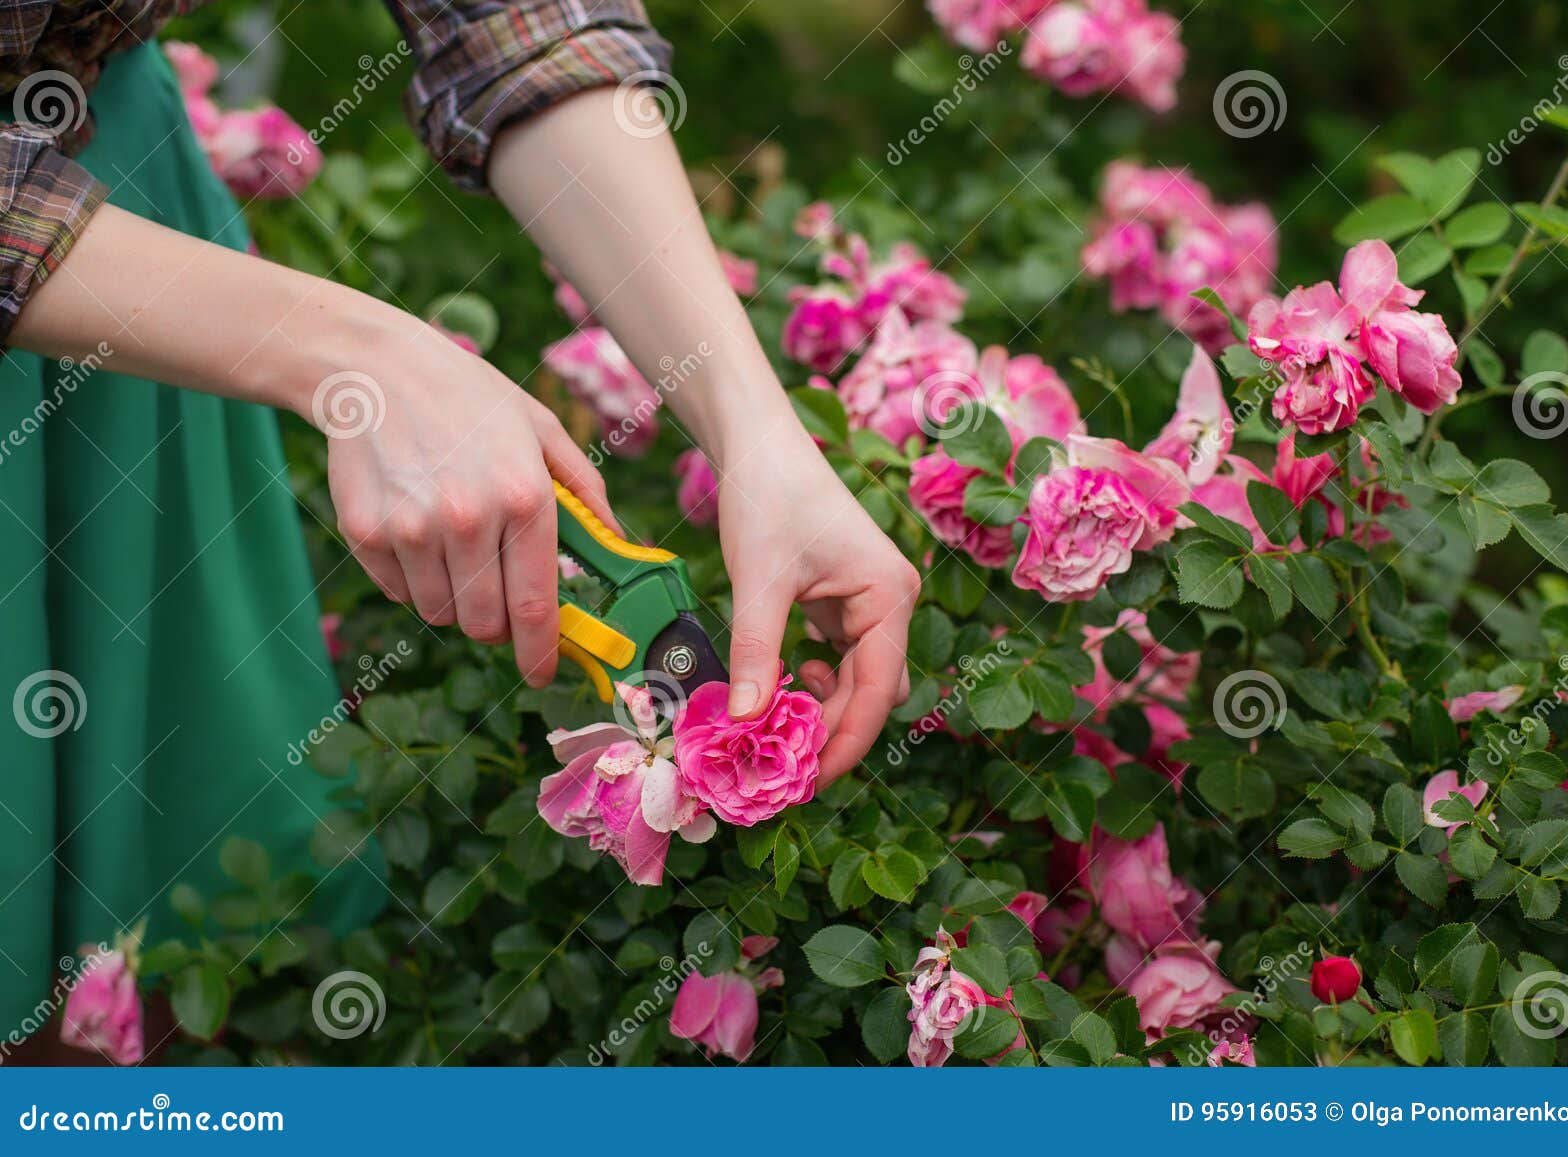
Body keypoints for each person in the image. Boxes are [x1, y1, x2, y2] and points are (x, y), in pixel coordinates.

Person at [0, 0, 917, 1055]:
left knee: (146, 935)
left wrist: (760, 438)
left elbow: (514, 21)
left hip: (134, 270)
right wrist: (351, 354)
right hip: (116, 287)